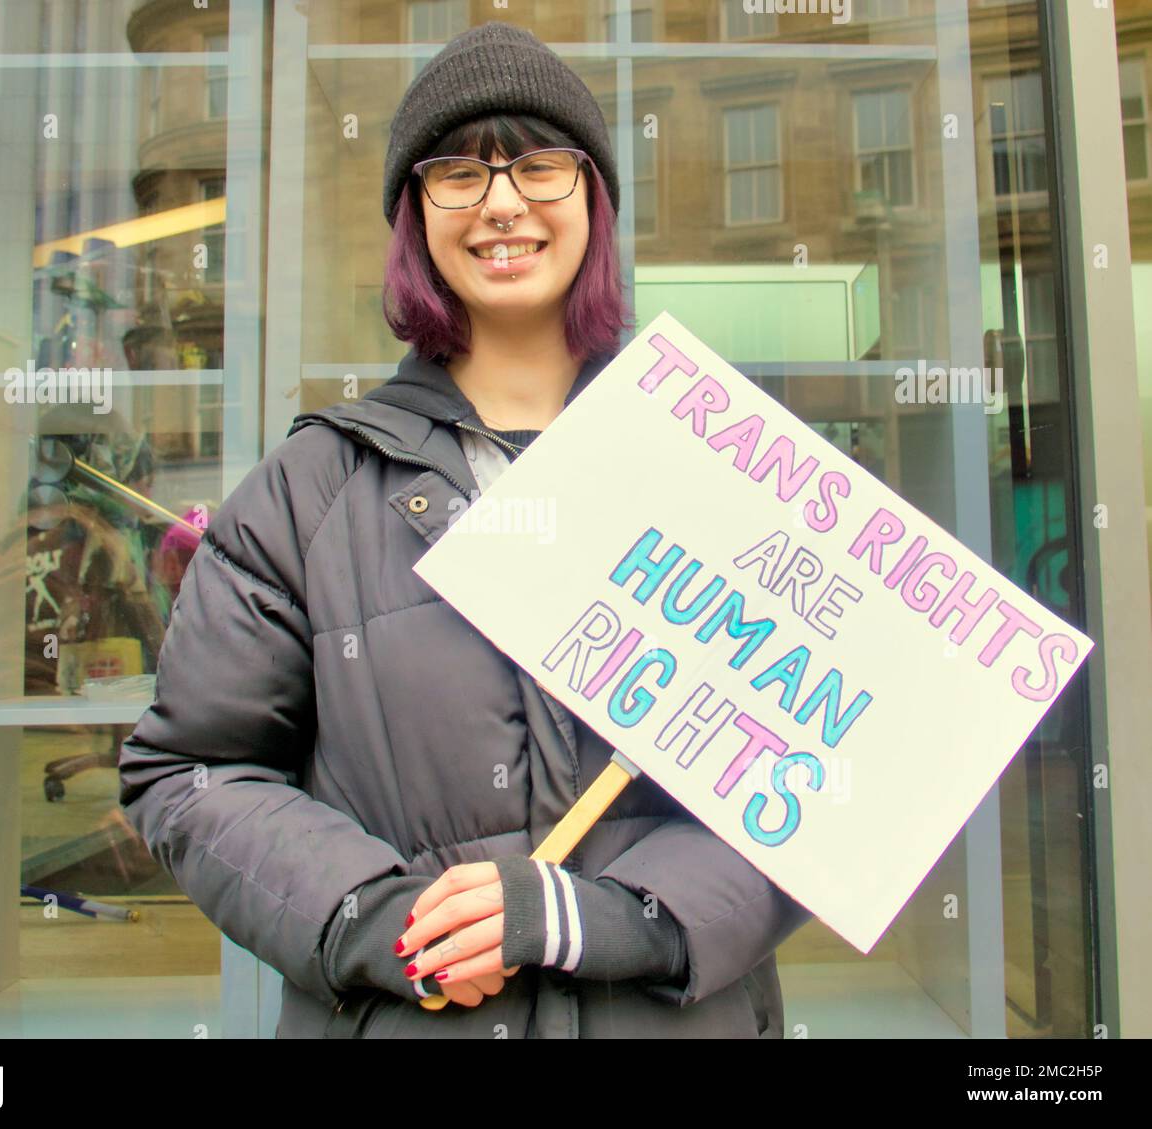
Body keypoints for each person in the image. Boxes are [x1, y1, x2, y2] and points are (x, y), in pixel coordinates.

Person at [118, 20, 811, 1039]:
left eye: (539, 164)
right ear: (413, 217)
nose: (500, 201)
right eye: (457, 172)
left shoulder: (712, 474)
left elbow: (819, 769)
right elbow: (189, 773)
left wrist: (602, 919)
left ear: (593, 201)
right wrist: (373, 917)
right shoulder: (307, 493)